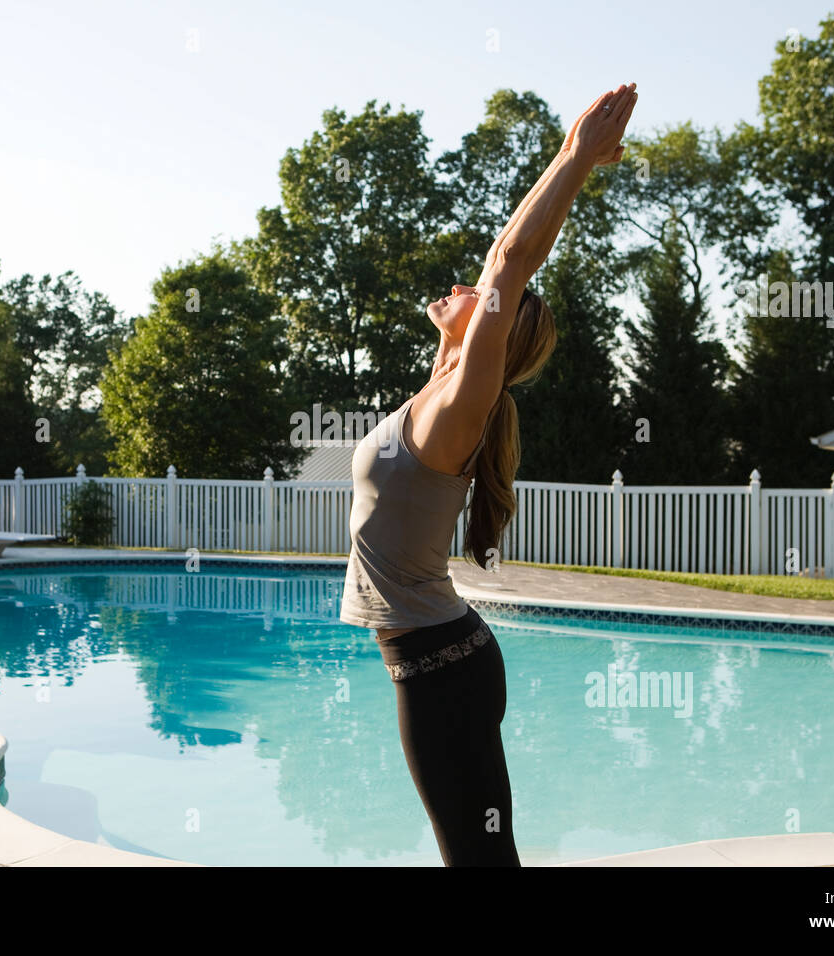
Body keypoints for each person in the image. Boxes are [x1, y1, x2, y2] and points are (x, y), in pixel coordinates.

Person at [339, 83, 638, 866]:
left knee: (476, 860)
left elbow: (512, 256)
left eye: (486, 299)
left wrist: (574, 157)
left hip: (442, 670)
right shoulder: (439, 393)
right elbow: (494, 272)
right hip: (438, 664)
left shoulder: (464, 404)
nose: (469, 285)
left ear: (493, 339)